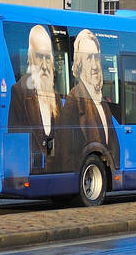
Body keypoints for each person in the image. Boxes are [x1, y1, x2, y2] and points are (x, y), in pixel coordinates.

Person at [55, 29, 121, 173]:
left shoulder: (102, 102)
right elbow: (66, 153)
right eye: (88, 58)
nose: (94, 66)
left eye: (96, 58)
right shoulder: (74, 101)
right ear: (79, 64)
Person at [8, 25, 61, 173]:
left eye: (47, 57)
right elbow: (16, 138)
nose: (44, 65)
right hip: (30, 168)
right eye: (39, 56)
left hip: (52, 171)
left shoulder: (55, 97)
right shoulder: (19, 91)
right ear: (31, 58)